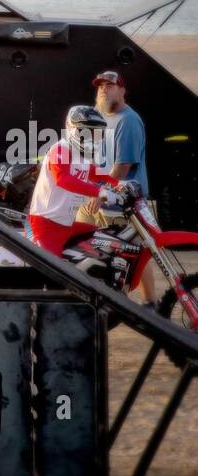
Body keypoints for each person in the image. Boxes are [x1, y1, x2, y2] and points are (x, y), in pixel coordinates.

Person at [76, 69, 155, 302]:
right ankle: (98, 297)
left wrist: (101, 192)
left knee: (136, 253)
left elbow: (122, 167)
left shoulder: (128, 120)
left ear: (122, 90)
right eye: (100, 85)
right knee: (82, 245)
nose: (103, 88)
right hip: (99, 200)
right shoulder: (102, 119)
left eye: (109, 85)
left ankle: (151, 304)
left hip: (122, 203)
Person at [28, 104, 125, 256]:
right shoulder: (60, 149)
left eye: (95, 133)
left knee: (105, 241)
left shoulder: (81, 155)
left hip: (66, 225)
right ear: (72, 129)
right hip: (46, 225)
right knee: (53, 274)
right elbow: (63, 179)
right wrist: (100, 191)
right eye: (87, 132)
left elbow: (95, 173)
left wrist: (120, 184)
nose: (92, 137)